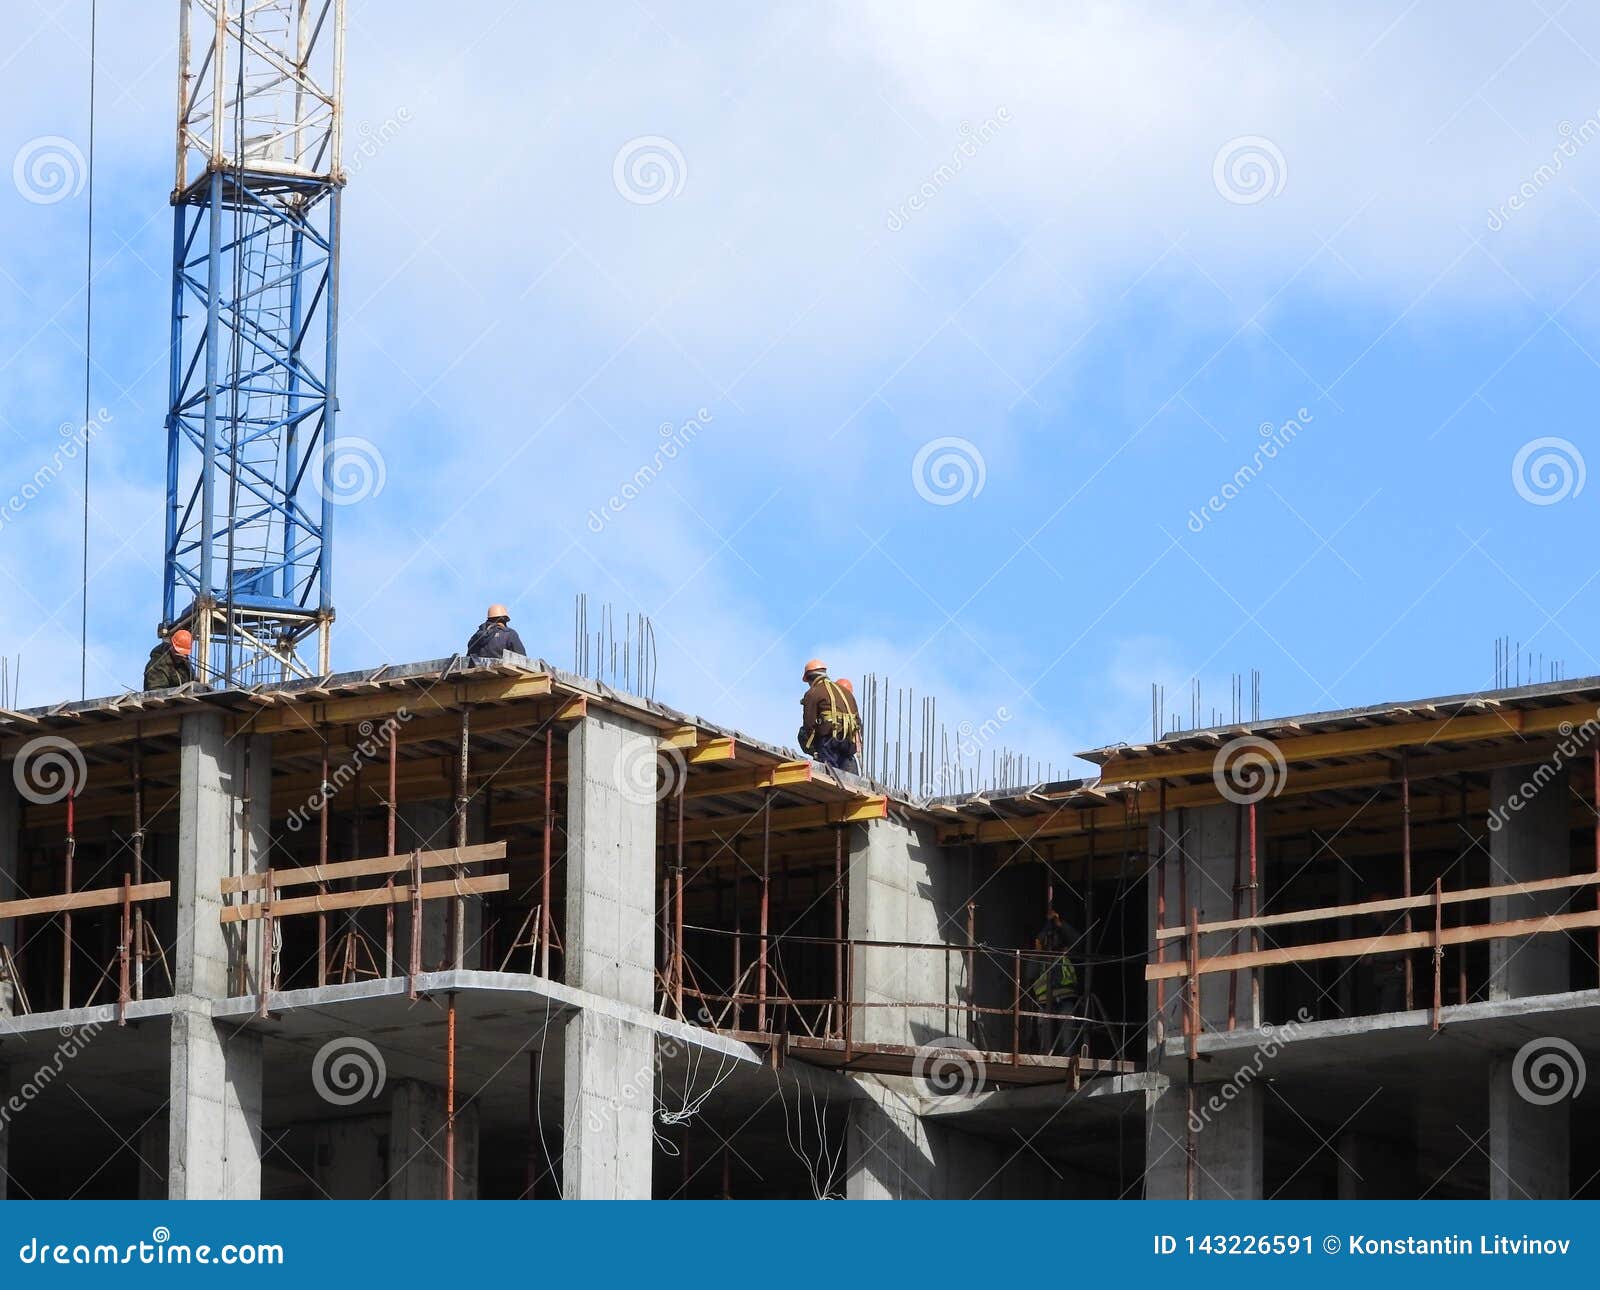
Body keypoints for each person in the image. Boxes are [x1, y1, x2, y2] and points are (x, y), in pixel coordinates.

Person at [1028, 908, 1082, 1056]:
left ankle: (1068, 1057)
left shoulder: (1066, 954)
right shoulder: (1040, 958)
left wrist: (1059, 924)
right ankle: (1044, 1055)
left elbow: (1078, 941)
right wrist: (1038, 951)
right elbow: (1030, 973)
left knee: (1067, 1031)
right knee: (1044, 1030)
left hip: (1065, 1000)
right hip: (1045, 1002)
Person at [797, 659, 861, 773]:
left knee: (830, 776)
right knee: (847, 777)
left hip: (829, 743)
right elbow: (858, 723)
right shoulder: (845, 692)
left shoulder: (813, 692)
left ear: (810, 678)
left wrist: (813, 749)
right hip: (849, 744)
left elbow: (809, 724)